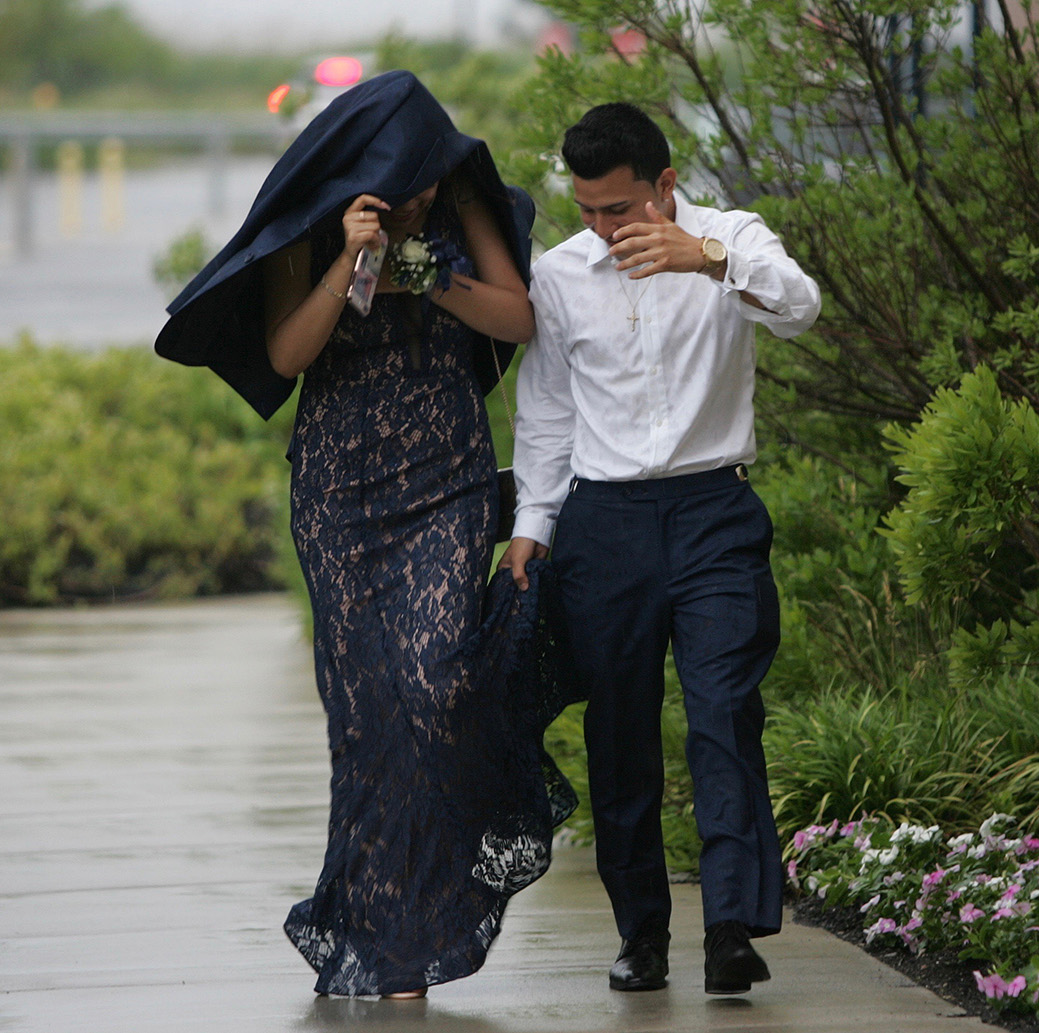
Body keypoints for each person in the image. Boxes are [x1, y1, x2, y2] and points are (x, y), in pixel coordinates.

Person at [155, 70, 579, 999]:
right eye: (404, 187)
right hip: (341, 487)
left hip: (446, 475)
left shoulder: (458, 194)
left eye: (426, 181)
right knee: (368, 714)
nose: (418, 196)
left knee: (434, 685)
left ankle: (426, 912)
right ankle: (385, 943)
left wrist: (437, 277)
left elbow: (520, 316)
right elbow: (285, 355)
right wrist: (352, 261)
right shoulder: (312, 217)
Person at [500, 102, 821, 995]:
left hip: (716, 510)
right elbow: (550, 411)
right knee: (621, 733)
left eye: (619, 209)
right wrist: (533, 525)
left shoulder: (729, 237)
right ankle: (641, 934)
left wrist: (708, 261)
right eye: (588, 209)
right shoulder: (562, 274)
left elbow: (800, 307)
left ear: (666, 186)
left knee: (724, 713)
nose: (602, 229)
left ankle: (730, 929)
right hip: (604, 524)